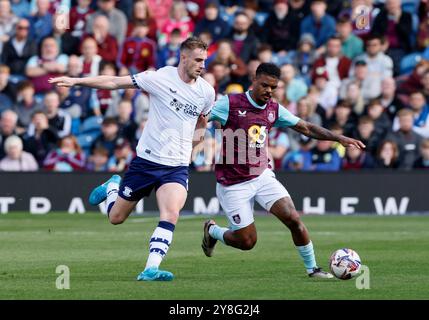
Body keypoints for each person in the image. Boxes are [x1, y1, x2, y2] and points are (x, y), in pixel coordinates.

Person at [49, 37, 215, 281]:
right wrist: (76, 81)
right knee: (115, 218)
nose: (202, 65)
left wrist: (195, 149)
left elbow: (202, 122)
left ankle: (151, 269)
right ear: (184, 57)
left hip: (176, 166)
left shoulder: (206, 92)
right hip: (146, 163)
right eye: (199, 59)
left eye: (205, 60)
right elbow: (114, 82)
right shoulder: (158, 78)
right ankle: (112, 187)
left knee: (171, 214)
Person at [202, 62, 364, 278]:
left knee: (293, 219)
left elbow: (306, 127)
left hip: (261, 175)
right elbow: (201, 119)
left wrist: (339, 138)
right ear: (255, 80)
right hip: (233, 183)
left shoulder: (274, 109)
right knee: (247, 242)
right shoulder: (230, 103)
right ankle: (212, 231)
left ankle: (312, 269)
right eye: (265, 85)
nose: (269, 91)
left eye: (273, 87)